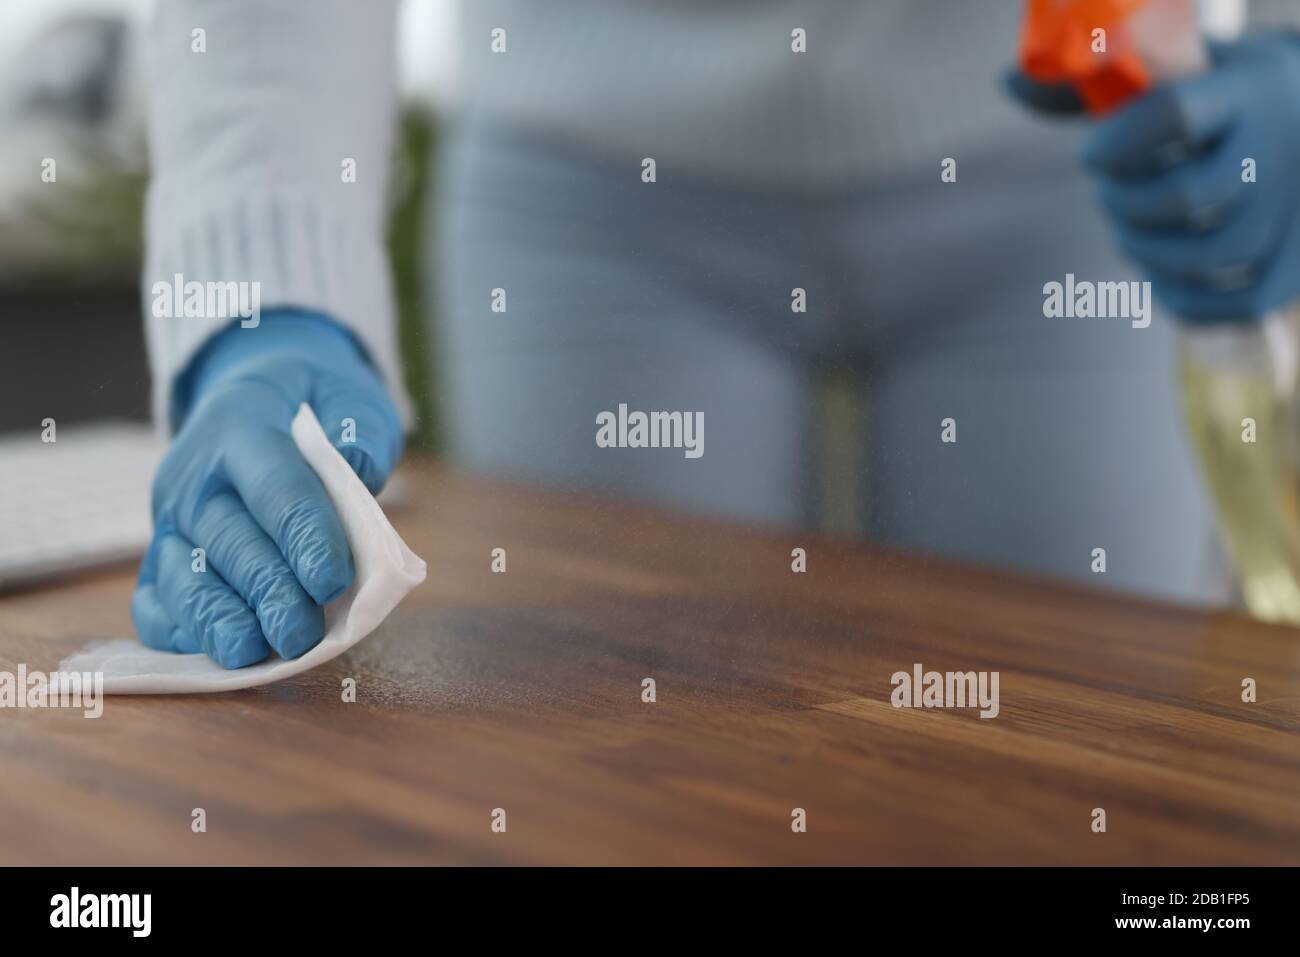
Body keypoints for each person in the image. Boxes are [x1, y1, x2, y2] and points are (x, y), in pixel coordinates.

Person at [135, 0, 1300, 669]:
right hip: (587, 181)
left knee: (1085, 746)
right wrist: (264, 303)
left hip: (1068, 156)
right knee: (618, 767)